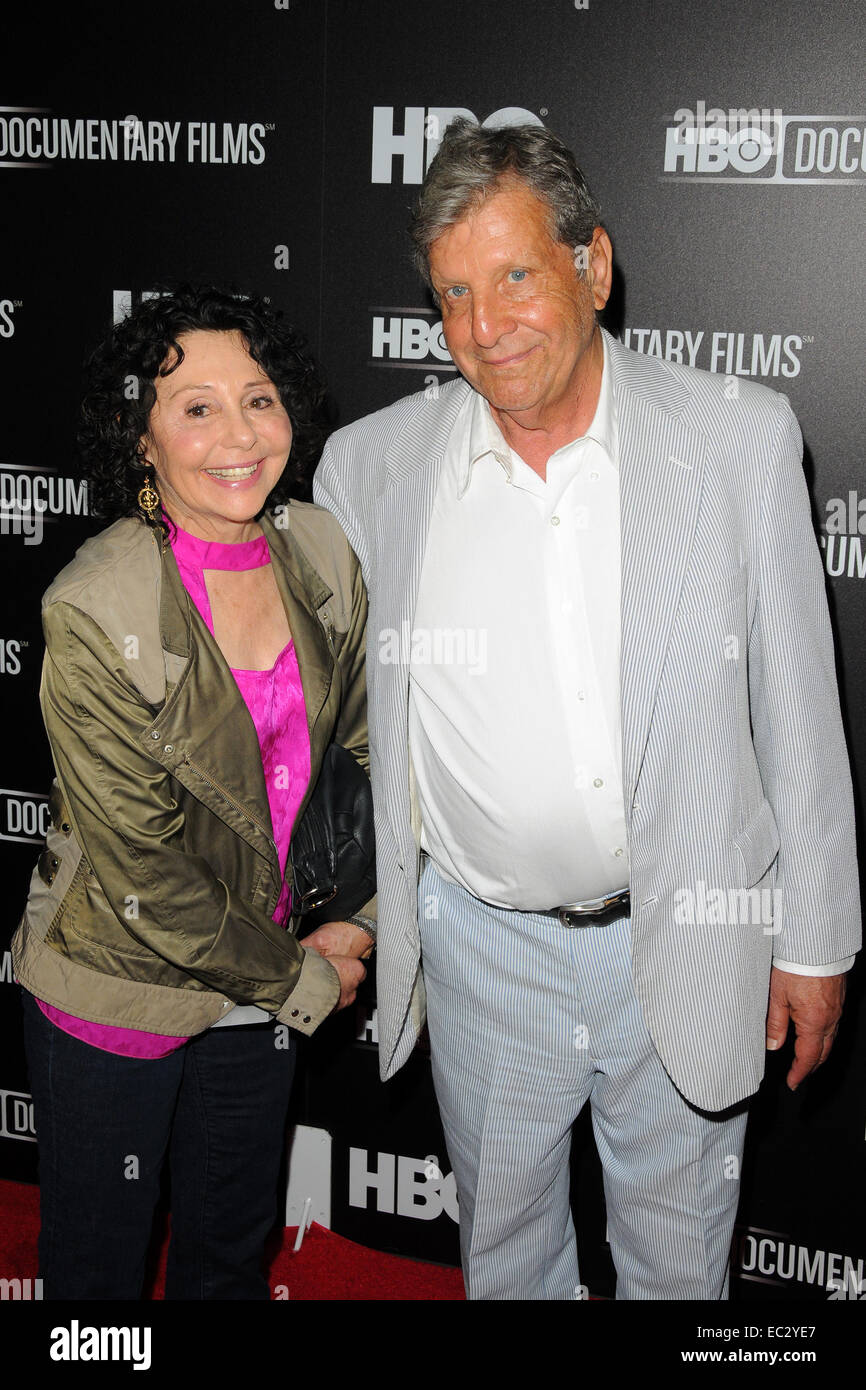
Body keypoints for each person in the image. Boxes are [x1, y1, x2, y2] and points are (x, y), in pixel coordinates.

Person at [314, 119, 861, 1299]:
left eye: (514, 276)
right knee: (503, 1253)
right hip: (476, 949)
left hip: (681, 935)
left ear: (592, 268)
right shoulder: (370, 468)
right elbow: (344, 731)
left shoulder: (734, 439)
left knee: (676, 1264)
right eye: (452, 294)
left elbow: (799, 710)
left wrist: (814, 942)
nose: (483, 326)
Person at [13, 284, 375, 1300]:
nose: (238, 434)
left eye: (258, 399)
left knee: (229, 1247)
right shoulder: (93, 605)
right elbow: (145, 878)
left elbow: (360, 755)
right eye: (196, 406)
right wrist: (305, 979)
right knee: (99, 1272)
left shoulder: (323, 551)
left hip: (267, 980)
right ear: (142, 439)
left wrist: (352, 924)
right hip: (120, 989)